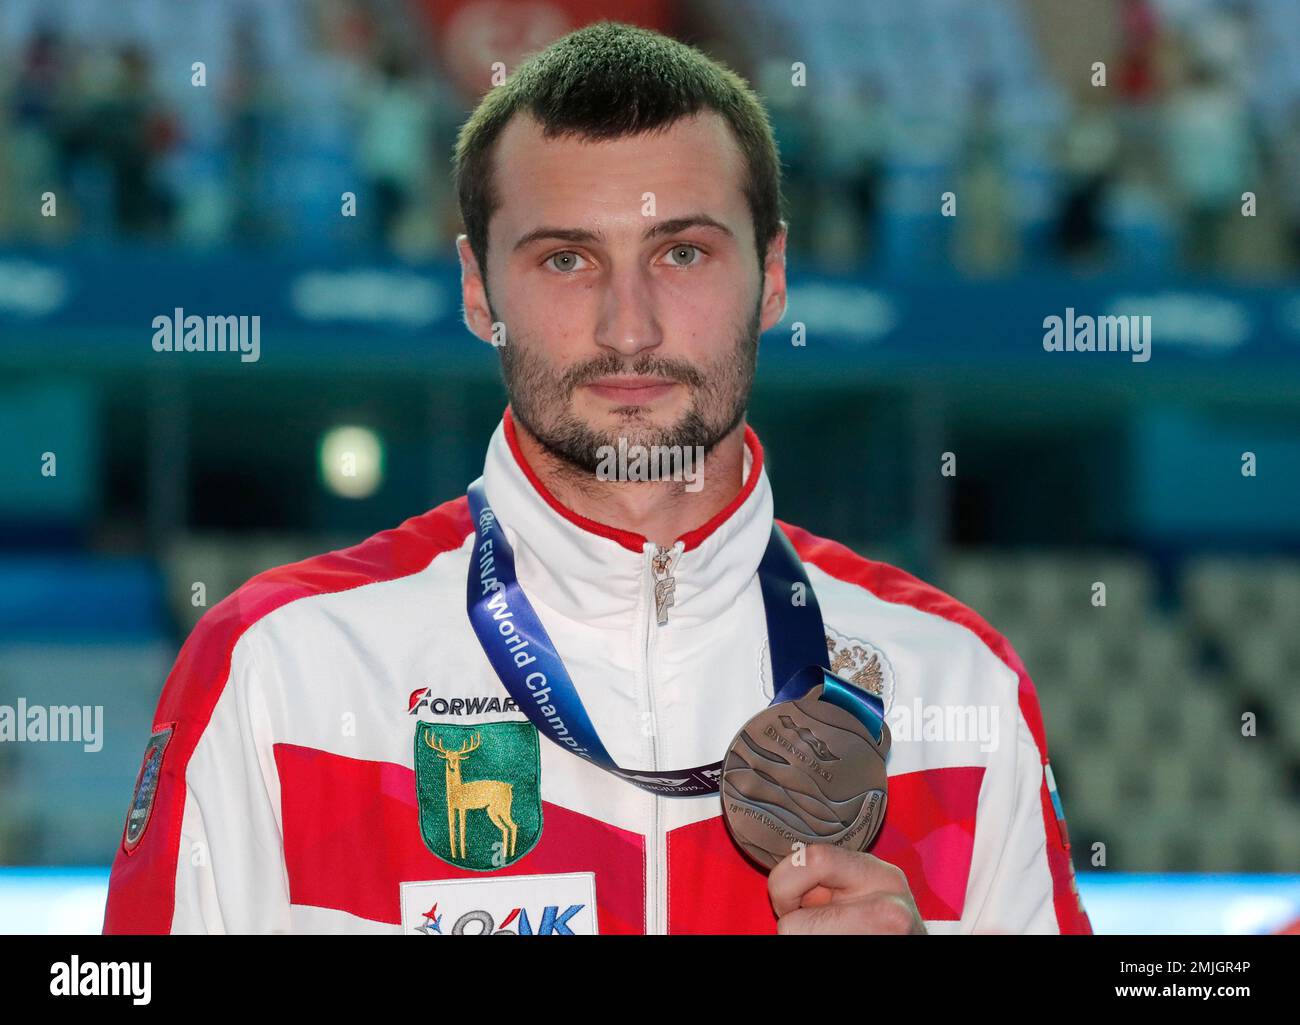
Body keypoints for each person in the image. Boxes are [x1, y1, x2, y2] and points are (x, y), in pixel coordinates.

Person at [103, 22, 1090, 935]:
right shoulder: (283, 668)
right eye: (568, 259)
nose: (630, 327)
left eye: (683, 252)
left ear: (774, 274)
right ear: (477, 289)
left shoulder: (955, 682)